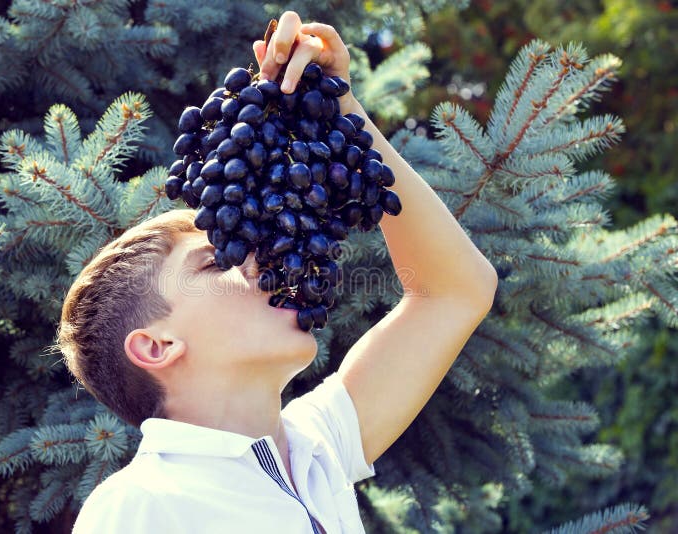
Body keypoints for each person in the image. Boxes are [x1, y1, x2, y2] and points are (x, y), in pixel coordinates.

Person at [60, 10, 498, 534]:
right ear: (157, 346)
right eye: (216, 258)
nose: (259, 257)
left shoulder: (318, 451)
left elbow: (455, 292)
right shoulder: (138, 507)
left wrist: (340, 112)